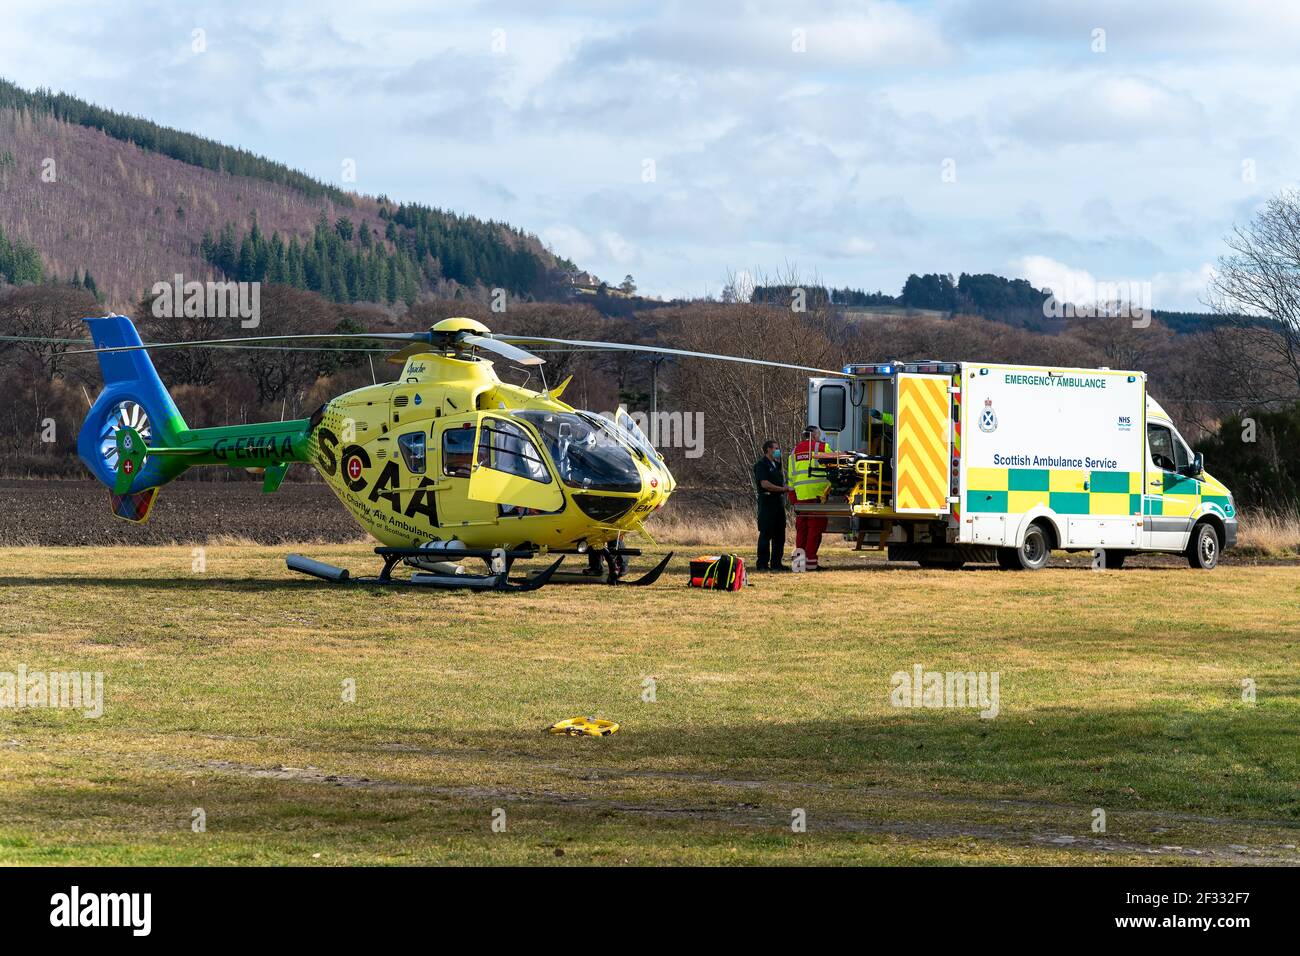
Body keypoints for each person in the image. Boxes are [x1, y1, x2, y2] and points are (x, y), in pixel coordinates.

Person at [787, 425, 831, 570]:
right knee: (815, 530)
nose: (820, 437)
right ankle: (811, 563)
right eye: (819, 435)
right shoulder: (822, 447)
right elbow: (835, 464)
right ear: (814, 436)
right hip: (817, 495)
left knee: (802, 530)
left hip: (800, 496)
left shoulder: (794, 451)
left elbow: (791, 478)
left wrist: (793, 499)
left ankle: (799, 563)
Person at [752, 440, 789, 571]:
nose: (778, 451)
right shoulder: (761, 465)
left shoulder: (777, 465)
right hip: (767, 502)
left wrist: (784, 487)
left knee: (780, 535)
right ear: (768, 449)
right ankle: (762, 563)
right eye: (776, 448)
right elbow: (765, 484)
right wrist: (782, 489)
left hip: (778, 503)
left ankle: (776, 563)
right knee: (766, 534)